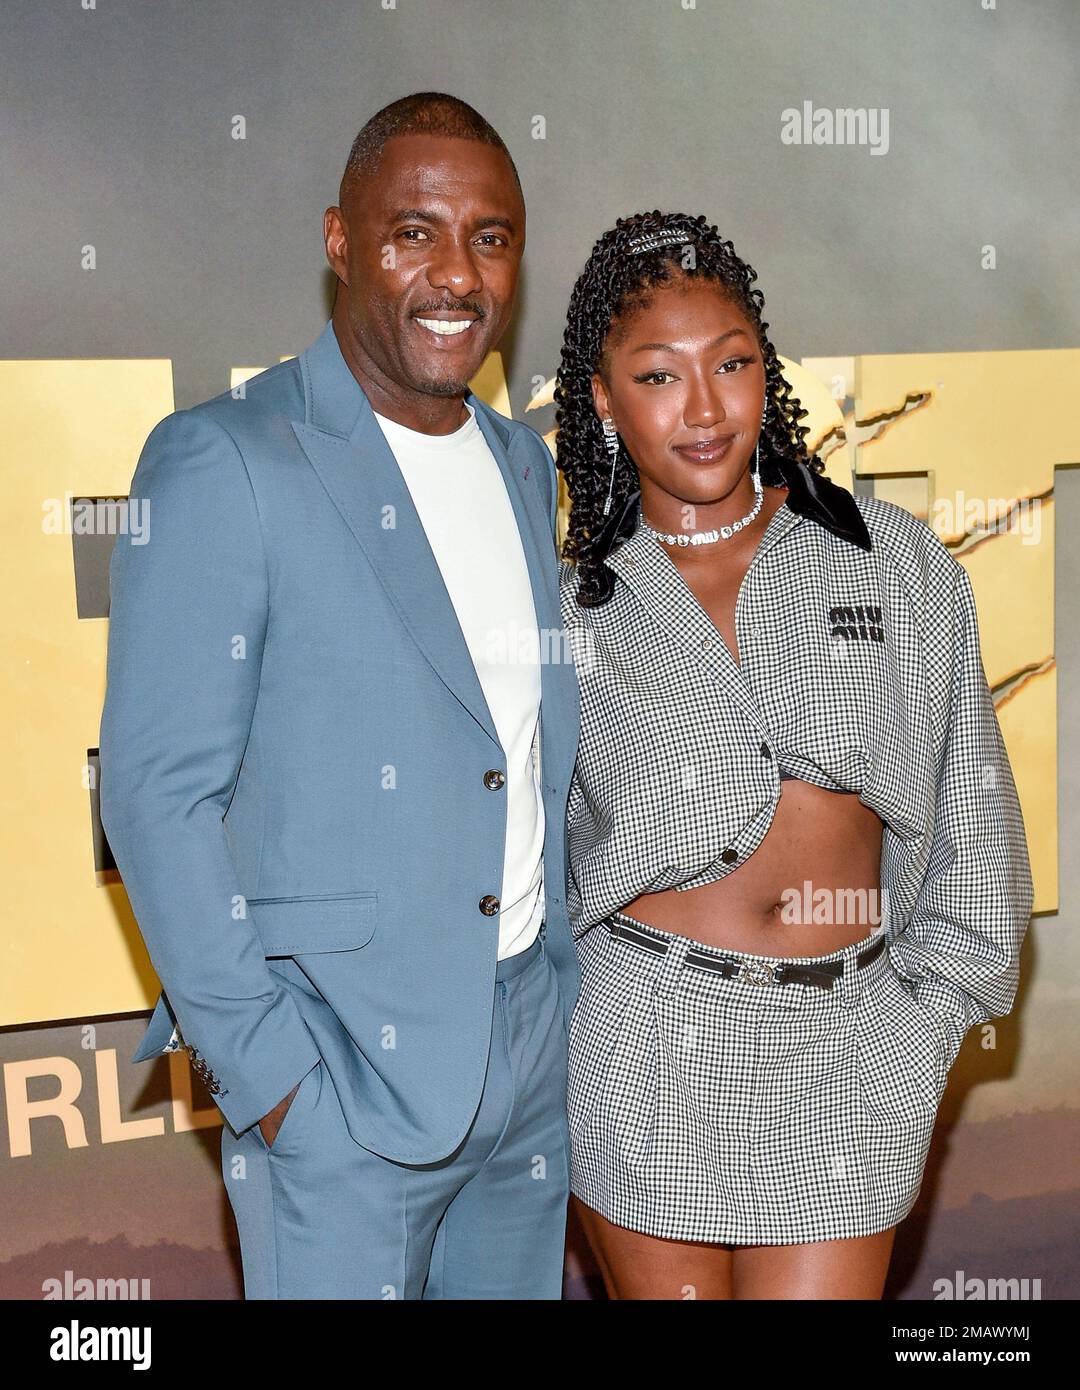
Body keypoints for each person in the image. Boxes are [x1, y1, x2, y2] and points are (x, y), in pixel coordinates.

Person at [98, 92, 580, 1300]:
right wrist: (274, 1082)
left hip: (526, 1060)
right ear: (338, 241)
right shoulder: (229, 458)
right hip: (337, 1092)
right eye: (412, 231)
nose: (455, 275)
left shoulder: (526, 467)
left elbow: (511, 751)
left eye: (491, 237)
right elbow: (157, 797)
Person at [554, 210, 1033, 1300]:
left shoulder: (889, 556)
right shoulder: (572, 606)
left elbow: (972, 814)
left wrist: (922, 1030)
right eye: (659, 376)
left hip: (846, 1044)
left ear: (768, 370)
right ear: (602, 397)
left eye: (732, 363)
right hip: (643, 1044)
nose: (707, 406)